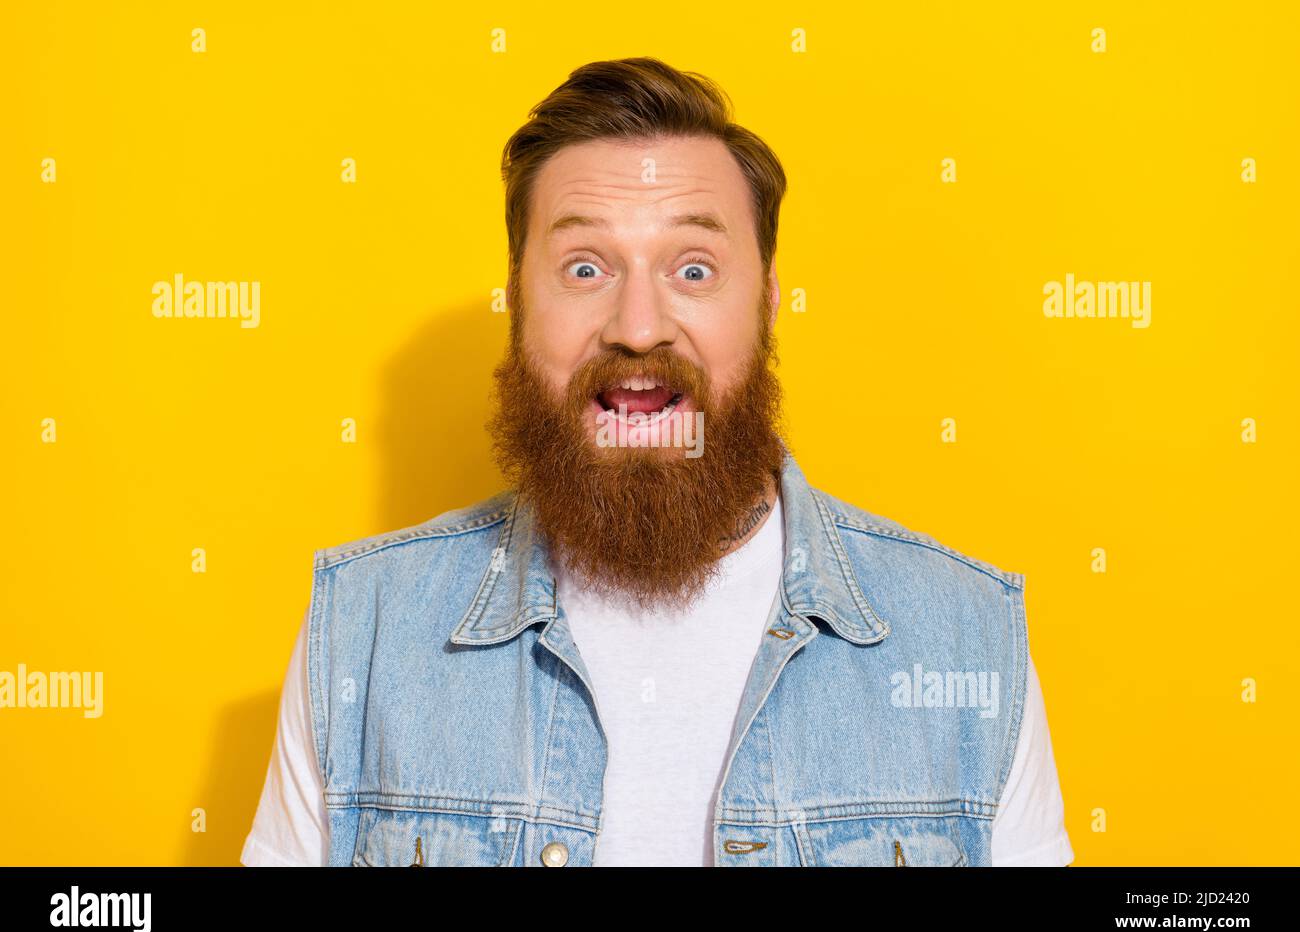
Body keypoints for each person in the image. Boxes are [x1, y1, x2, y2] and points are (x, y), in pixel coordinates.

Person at [242, 56, 1072, 867]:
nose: (638, 325)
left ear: (769, 301)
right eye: (585, 268)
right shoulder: (361, 632)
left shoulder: (964, 639)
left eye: (694, 268)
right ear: (518, 300)